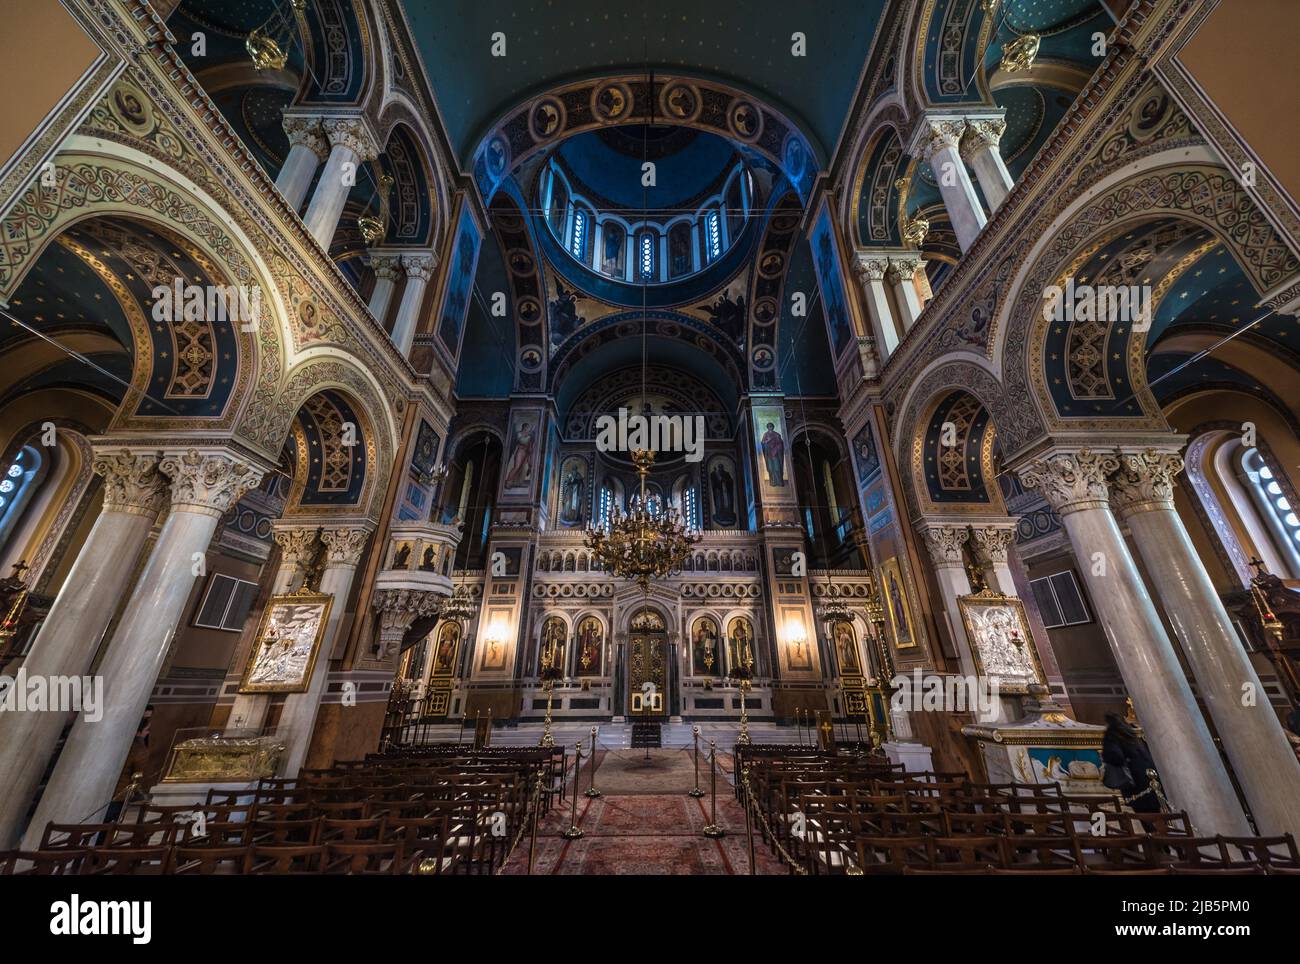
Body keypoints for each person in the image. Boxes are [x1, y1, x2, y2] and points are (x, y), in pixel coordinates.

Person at [1101, 713, 1161, 813]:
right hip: (1149, 777)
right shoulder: (1130, 731)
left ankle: (1156, 829)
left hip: (1133, 780)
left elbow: (1115, 756)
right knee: (1155, 812)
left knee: (1145, 815)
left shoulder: (1112, 735)